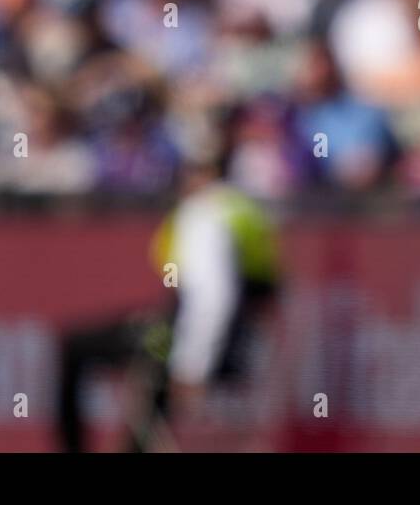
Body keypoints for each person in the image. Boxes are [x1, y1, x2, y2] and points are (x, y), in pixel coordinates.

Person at [56, 147, 280, 452]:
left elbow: (212, 296)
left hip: (192, 341)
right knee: (151, 367)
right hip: (240, 342)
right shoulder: (244, 209)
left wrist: (193, 366)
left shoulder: (204, 213)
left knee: (76, 345)